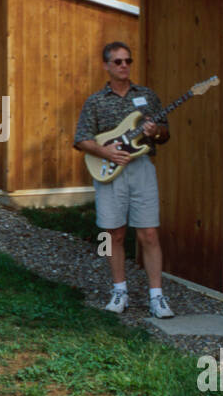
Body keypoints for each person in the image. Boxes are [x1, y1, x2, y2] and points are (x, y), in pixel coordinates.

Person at [73, 41, 173, 319]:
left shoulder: (148, 96)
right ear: (106, 65)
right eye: (117, 61)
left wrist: (154, 132)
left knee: (149, 233)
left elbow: (165, 135)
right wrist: (104, 151)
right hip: (108, 170)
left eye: (127, 60)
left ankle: (157, 296)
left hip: (141, 168)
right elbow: (81, 139)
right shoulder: (95, 101)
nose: (124, 65)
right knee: (113, 233)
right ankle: (119, 290)